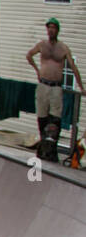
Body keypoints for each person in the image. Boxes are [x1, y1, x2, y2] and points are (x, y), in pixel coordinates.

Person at [25, 17, 81, 162]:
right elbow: (29, 55)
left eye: (53, 28)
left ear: (57, 30)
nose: (51, 30)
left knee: (55, 119)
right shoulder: (42, 45)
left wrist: (81, 87)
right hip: (43, 85)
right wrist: (37, 70)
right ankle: (43, 148)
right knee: (42, 117)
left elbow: (73, 68)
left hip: (56, 87)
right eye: (49, 27)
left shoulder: (63, 48)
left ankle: (51, 149)